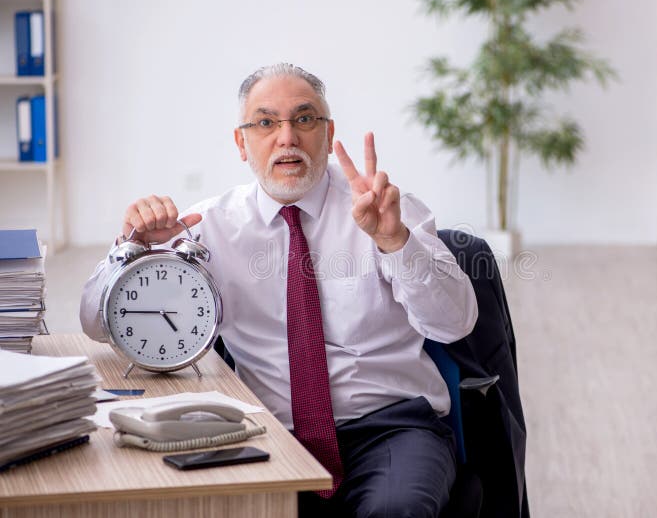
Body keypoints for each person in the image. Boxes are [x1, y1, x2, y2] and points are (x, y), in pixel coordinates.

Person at [79, 63, 478, 517]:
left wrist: (395, 242)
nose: (287, 137)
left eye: (304, 119)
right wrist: (131, 248)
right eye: (266, 122)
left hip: (390, 427)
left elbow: (455, 324)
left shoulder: (388, 210)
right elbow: (95, 323)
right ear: (241, 143)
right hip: (265, 433)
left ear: (328, 136)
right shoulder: (207, 228)